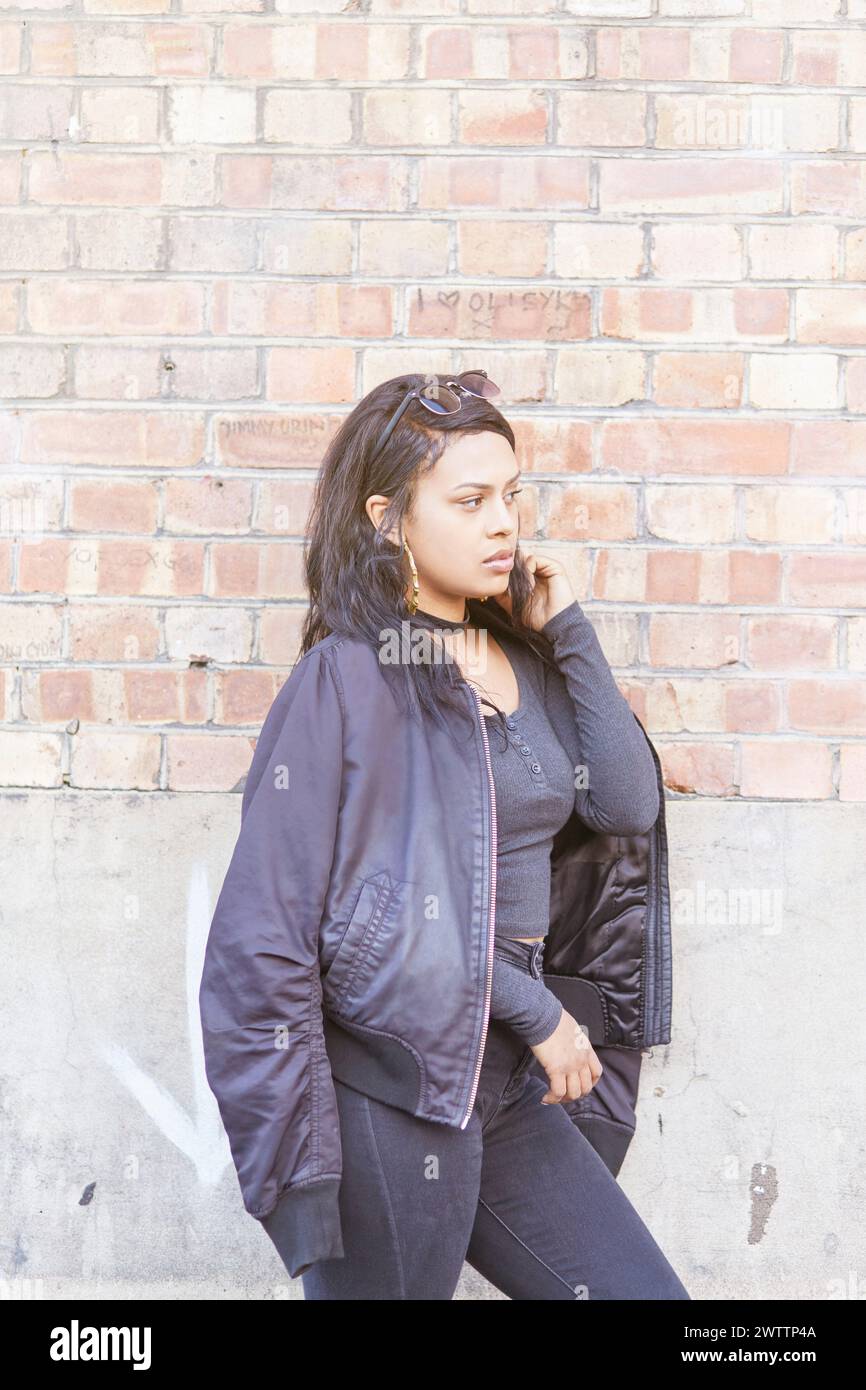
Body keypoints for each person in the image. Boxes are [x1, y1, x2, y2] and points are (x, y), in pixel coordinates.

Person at [199, 370, 691, 1300]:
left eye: (510, 496)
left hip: (505, 1085)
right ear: (388, 520)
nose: (502, 523)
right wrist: (536, 1009)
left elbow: (625, 804)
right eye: (468, 501)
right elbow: (326, 922)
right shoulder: (349, 683)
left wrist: (571, 631)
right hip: (394, 1086)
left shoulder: (523, 660)